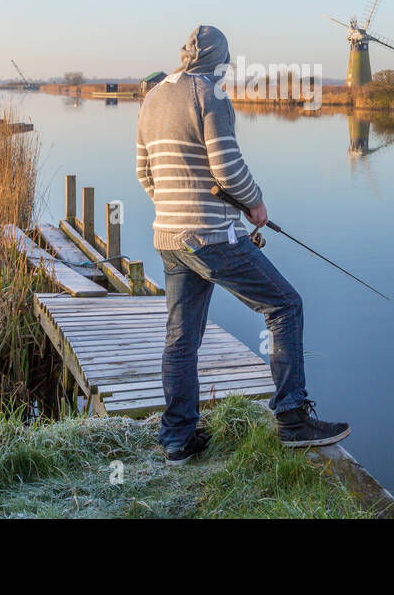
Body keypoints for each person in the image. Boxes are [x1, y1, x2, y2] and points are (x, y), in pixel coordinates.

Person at [136, 25, 350, 464]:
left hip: (168, 237)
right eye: (226, 63)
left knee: (180, 338)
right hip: (209, 237)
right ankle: (293, 420)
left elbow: (145, 173)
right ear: (219, 61)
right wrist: (255, 205)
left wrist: (175, 208)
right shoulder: (209, 96)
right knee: (285, 306)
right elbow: (227, 167)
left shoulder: (152, 98)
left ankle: (177, 437)